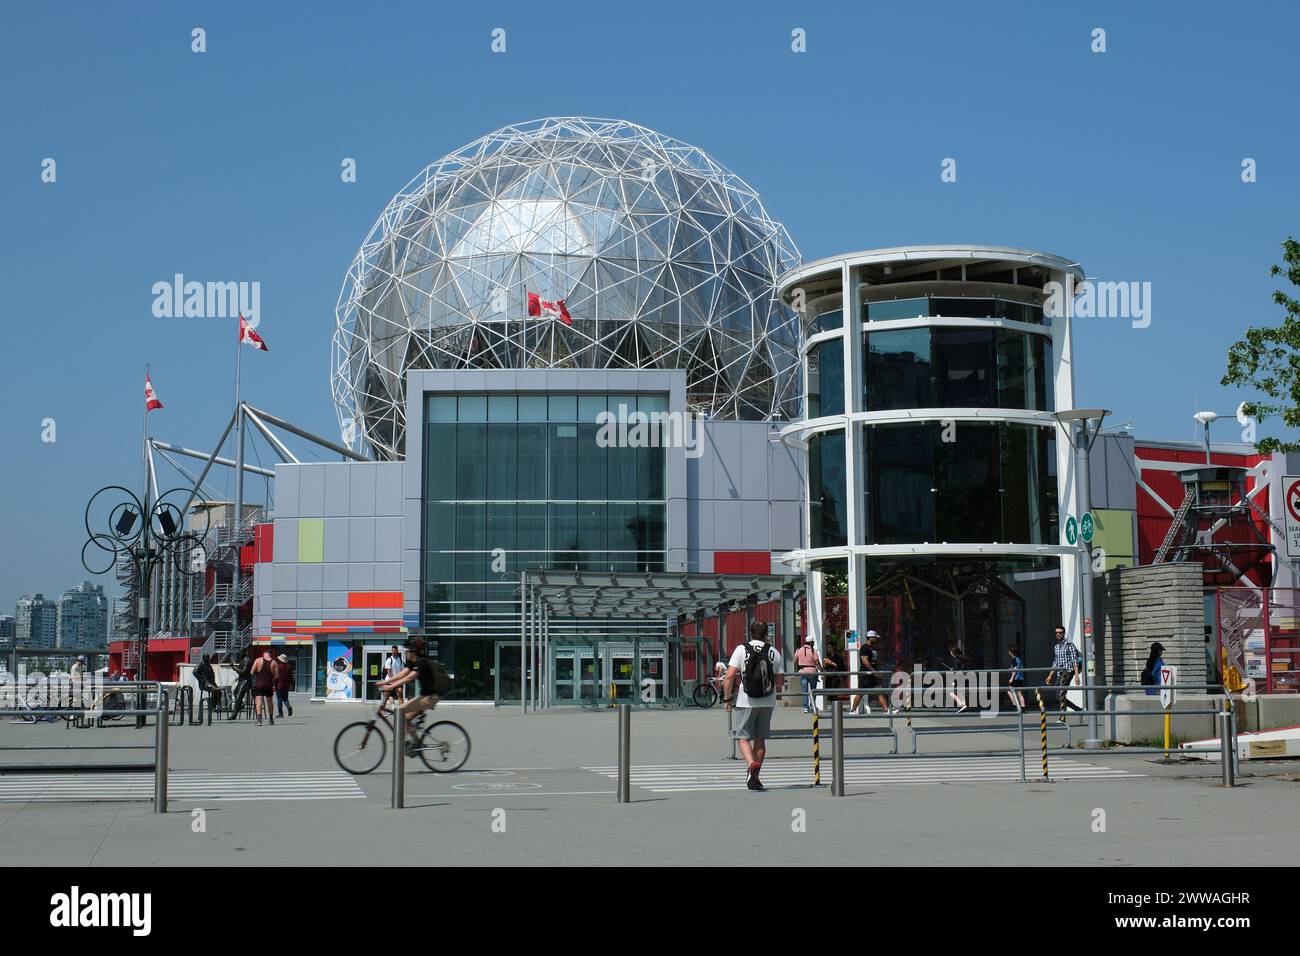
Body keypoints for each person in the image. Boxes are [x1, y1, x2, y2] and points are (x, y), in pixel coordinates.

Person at [722, 621, 784, 792]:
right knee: (760, 739)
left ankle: (751, 765)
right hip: (768, 700)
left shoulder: (741, 649)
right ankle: (755, 777)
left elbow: (729, 676)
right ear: (766, 635)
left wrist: (727, 699)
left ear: (750, 633)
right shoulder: (773, 651)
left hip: (746, 700)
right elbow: (779, 678)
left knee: (742, 737)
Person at [377, 637, 449, 753]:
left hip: (430, 698)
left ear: (414, 651)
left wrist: (390, 687)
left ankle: (415, 742)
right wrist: (385, 682)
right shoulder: (414, 662)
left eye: (408, 650)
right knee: (404, 717)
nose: (406, 652)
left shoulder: (422, 662)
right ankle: (416, 740)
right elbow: (402, 673)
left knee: (400, 711)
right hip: (425, 696)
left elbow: (409, 677)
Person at [1047, 625, 1083, 720]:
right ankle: (1078, 710)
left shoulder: (1069, 645)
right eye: (1056, 633)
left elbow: (1074, 660)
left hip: (1068, 671)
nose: (1058, 634)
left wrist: (1076, 675)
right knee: (1059, 695)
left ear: (1064, 633)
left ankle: (1062, 717)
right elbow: (1056, 662)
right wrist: (1050, 675)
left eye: (1060, 632)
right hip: (1059, 673)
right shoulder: (1056, 647)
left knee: (1061, 694)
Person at [793, 637, 821, 713]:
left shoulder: (799, 650)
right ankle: (812, 706)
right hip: (812, 672)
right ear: (811, 642)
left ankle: (806, 707)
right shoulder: (813, 650)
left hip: (803, 672)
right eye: (813, 642)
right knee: (813, 690)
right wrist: (822, 671)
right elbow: (817, 662)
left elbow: (795, 661)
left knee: (805, 691)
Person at [250, 649, 277, 726]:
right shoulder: (274, 663)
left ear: (264, 654)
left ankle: (259, 721)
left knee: (258, 702)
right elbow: (277, 676)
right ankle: (271, 719)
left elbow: (252, 672)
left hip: (259, 684)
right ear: (270, 654)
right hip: (269, 685)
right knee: (270, 701)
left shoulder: (258, 660)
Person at [229, 651, 254, 720]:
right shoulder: (243, 660)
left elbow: (243, 671)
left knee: (238, 697)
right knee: (235, 693)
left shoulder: (247, 660)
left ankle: (234, 714)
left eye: (240, 653)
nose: (239, 654)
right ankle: (240, 704)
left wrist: (234, 667)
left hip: (245, 682)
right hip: (241, 681)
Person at [945, 644, 971, 713]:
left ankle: (961, 705)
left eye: (950, 651)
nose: (950, 653)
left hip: (958, 679)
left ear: (953, 652)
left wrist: (953, 680)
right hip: (965, 678)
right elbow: (961, 668)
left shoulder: (956, 660)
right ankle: (964, 706)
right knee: (961, 693)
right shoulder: (963, 659)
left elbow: (957, 672)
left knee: (951, 693)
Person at [274, 653, 295, 718]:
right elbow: (291, 677)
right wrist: (291, 684)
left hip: (279, 685)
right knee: (285, 698)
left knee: (279, 699)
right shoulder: (290, 667)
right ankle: (289, 707)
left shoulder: (278, 666)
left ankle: (280, 713)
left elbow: (276, 677)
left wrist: (274, 684)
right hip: (286, 685)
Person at [1006, 645, 1026, 710]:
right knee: (1019, 693)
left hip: (1015, 678)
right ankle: (1023, 707)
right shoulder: (1018, 659)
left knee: (1009, 691)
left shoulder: (1013, 659)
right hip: (1020, 678)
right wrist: (1011, 669)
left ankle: (1015, 706)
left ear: (1011, 652)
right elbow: (1019, 667)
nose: (1008, 652)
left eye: (1009, 651)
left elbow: (1015, 669)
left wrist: (1011, 678)